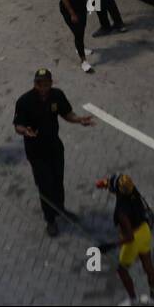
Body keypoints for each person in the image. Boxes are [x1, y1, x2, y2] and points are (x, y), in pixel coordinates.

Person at [12, 67, 94, 236]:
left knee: (58, 180)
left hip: (55, 147)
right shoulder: (24, 102)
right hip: (36, 152)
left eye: (46, 84)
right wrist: (24, 131)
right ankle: (50, 219)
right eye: (39, 84)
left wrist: (79, 120)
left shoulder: (57, 95)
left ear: (51, 83)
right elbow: (18, 125)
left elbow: (66, 114)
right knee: (45, 185)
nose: (43, 88)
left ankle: (60, 208)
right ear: (35, 84)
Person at [98, 172, 154, 305]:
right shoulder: (133, 191)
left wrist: (110, 245)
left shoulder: (121, 212)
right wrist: (104, 184)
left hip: (133, 240)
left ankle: (133, 300)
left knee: (122, 270)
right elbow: (117, 184)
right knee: (148, 265)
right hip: (145, 231)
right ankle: (152, 298)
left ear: (118, 191)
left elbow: (129, 237)